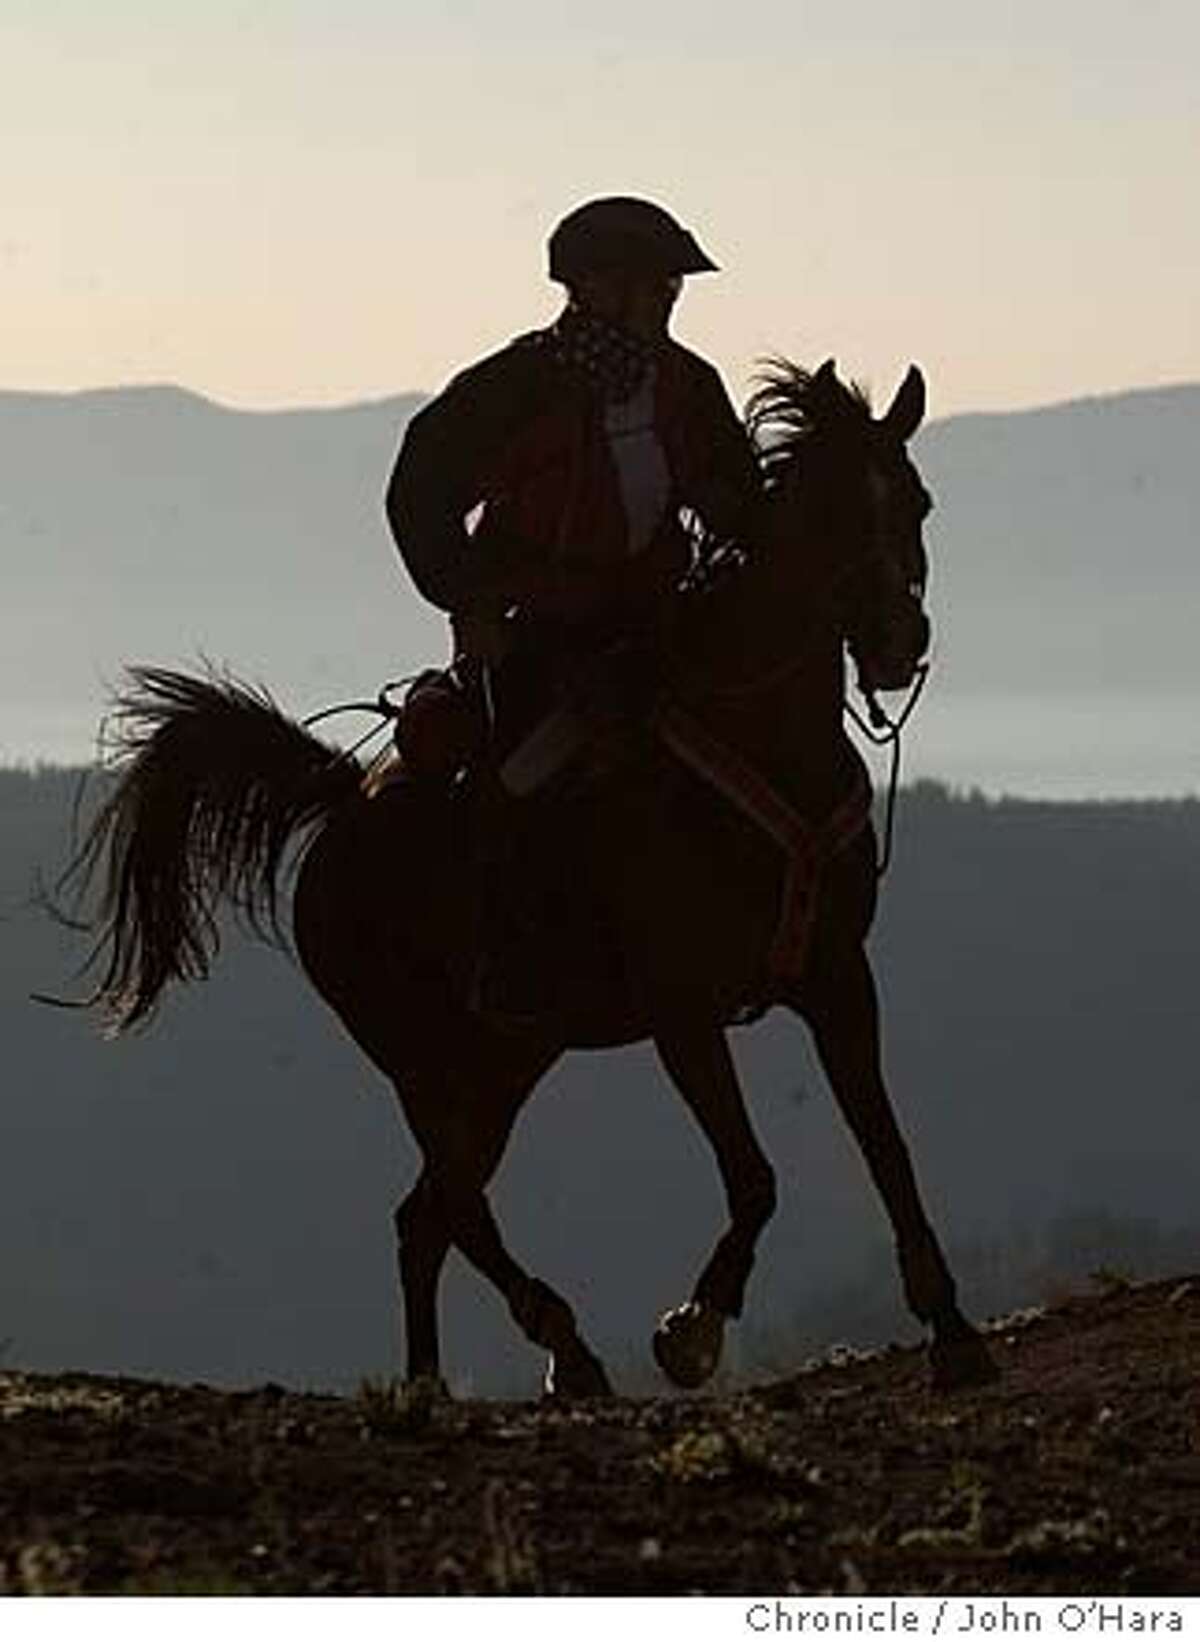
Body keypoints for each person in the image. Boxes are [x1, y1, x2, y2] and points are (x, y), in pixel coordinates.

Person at [385, 196, 766, 1012]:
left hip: (659, 622)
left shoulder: (688, 386)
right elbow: (419, 497)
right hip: (540, 633)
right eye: (657, 284)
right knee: (517, 780)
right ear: (593, 287)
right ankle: (493, 953)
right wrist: (471, 601)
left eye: (672, 284)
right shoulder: (512, 389)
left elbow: (733, 498)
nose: (671, 298)